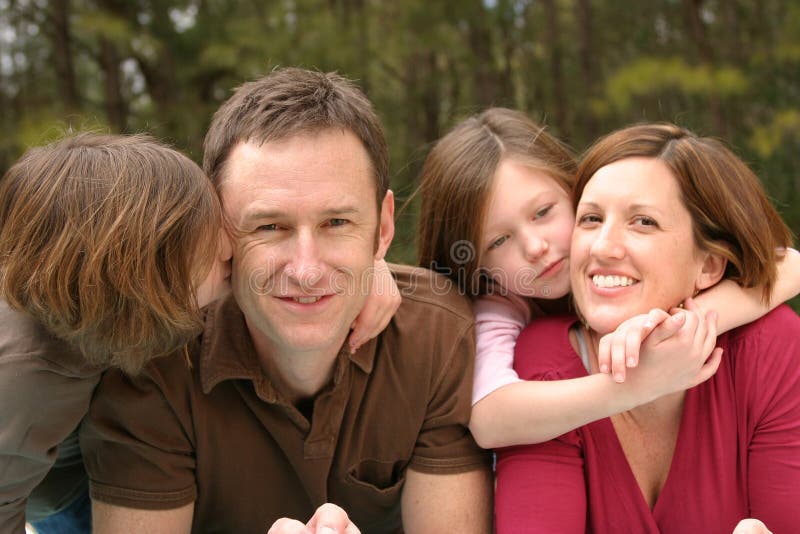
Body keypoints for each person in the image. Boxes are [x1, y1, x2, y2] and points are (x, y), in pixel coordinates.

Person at [79, 68, 493, 533]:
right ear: (218, 231)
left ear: (383, 227)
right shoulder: (153, 363)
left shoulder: (437, 337)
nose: (306, 269)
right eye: (269, 227)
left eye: (336, 222)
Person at [0, 133, 396, 534]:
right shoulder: (24, 382)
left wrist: (368, 267)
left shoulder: (103, 301)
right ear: (141, 273)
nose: (229, 247)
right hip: (64, 498)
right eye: (200, 242)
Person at [416, 108, 800, 448]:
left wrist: (687, 322)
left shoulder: (635, 256)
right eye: (498, 240)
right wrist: (636, 383)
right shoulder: (501, 305)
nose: (534, 246)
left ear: (577, 190)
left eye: (543, 212)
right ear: (476, 266)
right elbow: (489, 417)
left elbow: (789, 265)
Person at [494, 123, 800, 533]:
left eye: (643, 222)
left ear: (707, 265)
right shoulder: (546, 360)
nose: (603, 247)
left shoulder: (770, 347)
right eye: (591, 218)